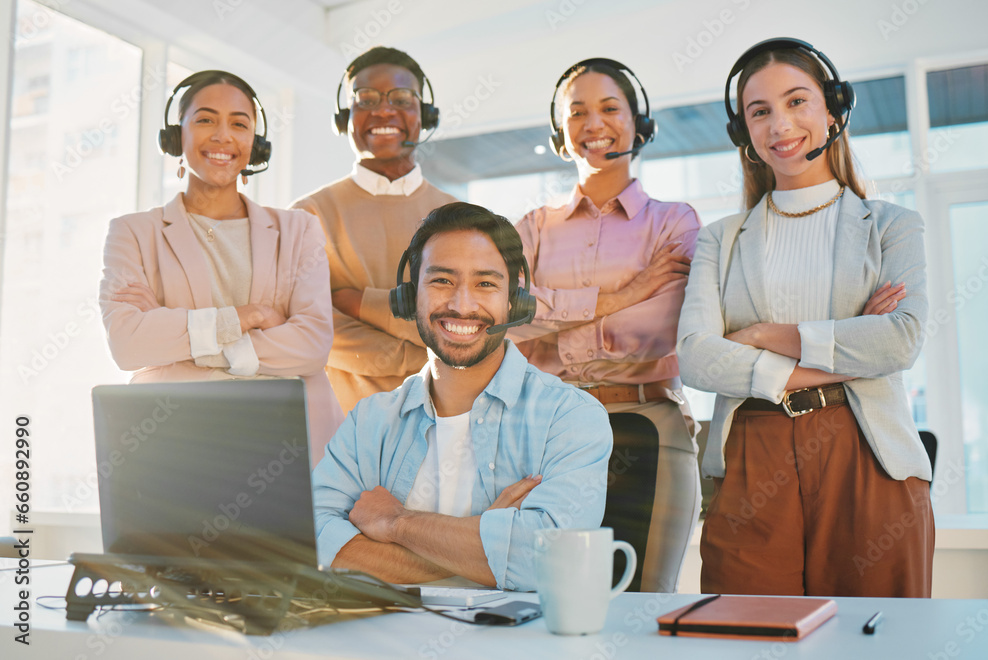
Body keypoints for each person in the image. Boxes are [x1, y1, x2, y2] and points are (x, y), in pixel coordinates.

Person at [676, 38, 932, 597]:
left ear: (832, 110)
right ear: (744, 132)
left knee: (880, 642)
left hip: (868, 452)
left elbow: (901, 339)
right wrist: (847, 350)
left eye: (797, 102)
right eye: (759, 111)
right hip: (752, 447)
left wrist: (766, 337)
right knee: (744, 634)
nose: (780, 124)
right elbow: (696, 357)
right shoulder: (719, 239)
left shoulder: (893, 225)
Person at [312, 202, 613, 590]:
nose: (462, 305)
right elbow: (316, 545)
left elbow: (550, 562)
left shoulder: (570, 418)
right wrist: (487, 539)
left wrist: (395, 523)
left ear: (513, 300)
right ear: (409, 297)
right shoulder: (369, 421)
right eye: (442, 281)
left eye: (486, 284)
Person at [509, 58, 702, 593]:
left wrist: (554, 321)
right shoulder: (532, 228)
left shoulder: (675, 221)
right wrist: (624, 294)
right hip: (550, 436)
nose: (594, 123)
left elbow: (664, 324)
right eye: (578, 112)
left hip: (651, 427)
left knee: (642, 600)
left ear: (638, 123)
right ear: (560, 134)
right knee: (545, 598)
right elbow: (502, 316)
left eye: (610, 108)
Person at [100, 70, 342, 465]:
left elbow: (312, 347)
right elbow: (129, 345)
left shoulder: (299, 229)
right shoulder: (132, 233)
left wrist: (178, 343)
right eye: (206, 119)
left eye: (239, 124)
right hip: (181, 442)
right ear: (176, 136)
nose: (222, 136)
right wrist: (252, 317)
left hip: (292, 443)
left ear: (255, 144)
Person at [292, 46, 457, 414]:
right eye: (366, 99)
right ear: (344, 117)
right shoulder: (306, 216)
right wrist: (419, 354)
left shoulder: (462, 218)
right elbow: (310, 329)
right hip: (340, 429)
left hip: (448, 426)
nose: (383, 110)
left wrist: (356, 301)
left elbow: (471, 324)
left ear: (425, 115)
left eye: (401, 98)